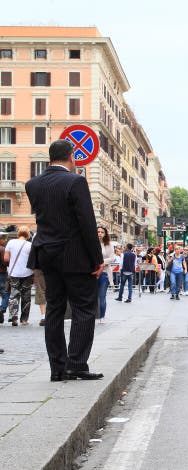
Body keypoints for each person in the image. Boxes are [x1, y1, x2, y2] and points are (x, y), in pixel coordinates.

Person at [25, 139, 104, 381]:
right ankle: (76, 364)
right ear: (71, 157)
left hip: (46, 255)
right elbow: (87, 223)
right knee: (83, 308)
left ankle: (57, 368)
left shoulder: (32, 184)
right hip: (75, 256)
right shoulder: (76, 181)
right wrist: (97, 258)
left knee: (54, 310)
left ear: (50, 158)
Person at [4, 226, 34, 326]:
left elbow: (6, 259)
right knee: (26, 296)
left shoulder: (11, 243)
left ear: (18, 234)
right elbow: (33, 260)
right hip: (27, 273)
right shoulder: (30, 245)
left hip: (13, 273)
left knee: (14, 295)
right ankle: (24, 320)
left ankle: (14, 318)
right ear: (28, 235)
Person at [97, 227, 115, 324]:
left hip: (104, 273)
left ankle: (102, 316)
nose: (100, 233)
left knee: (102, 296)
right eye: (98, 232)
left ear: (105, 234)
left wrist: (101, 263)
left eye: (102, 232)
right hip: (92, 273)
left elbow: (112, 258)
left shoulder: (109, 245)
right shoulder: (91, 243)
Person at [0, 236, 8, 324]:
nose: (6, 240)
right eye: (4, 239)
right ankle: (2, 309)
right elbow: (5, 262)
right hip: (2, 274)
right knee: (5, 294)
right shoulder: (2, 249)